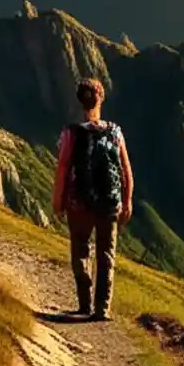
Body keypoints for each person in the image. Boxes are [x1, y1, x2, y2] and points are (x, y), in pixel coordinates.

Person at [51, 78, 133, 321]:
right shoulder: (115, 131)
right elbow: (126, 170)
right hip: (109, 203)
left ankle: (84, 303)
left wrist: (59, 200)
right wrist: (127, 201)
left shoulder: (71, 133)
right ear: (101, 98)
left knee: (81, 250)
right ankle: (102, 309)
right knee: (106, 253)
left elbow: (63, 168)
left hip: (79, 202)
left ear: (79, 101)